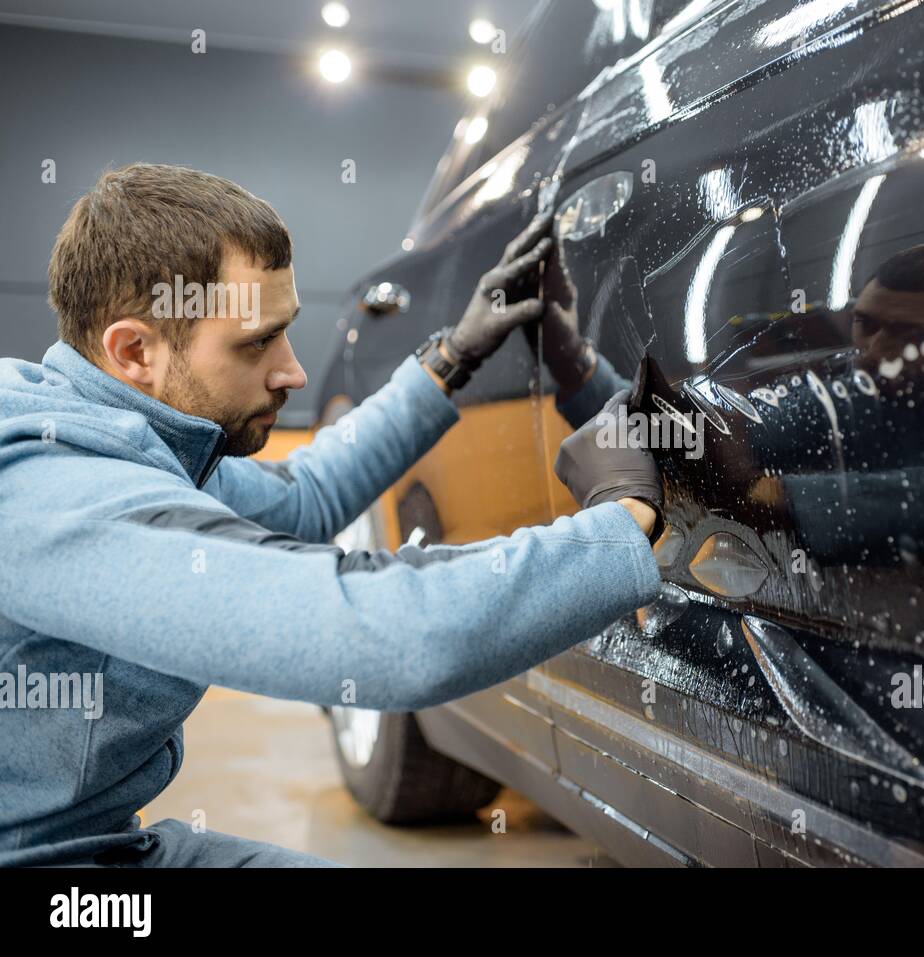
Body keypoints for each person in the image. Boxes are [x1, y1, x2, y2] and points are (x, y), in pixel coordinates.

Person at [0, 163, 662, 867]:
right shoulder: (49, 496)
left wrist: (454, 354)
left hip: (99, 845)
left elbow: (305, 496)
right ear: (135, 351)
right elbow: (382, 634)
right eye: (256, 343)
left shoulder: (136, 445)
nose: (293, 373)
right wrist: (621, 521)